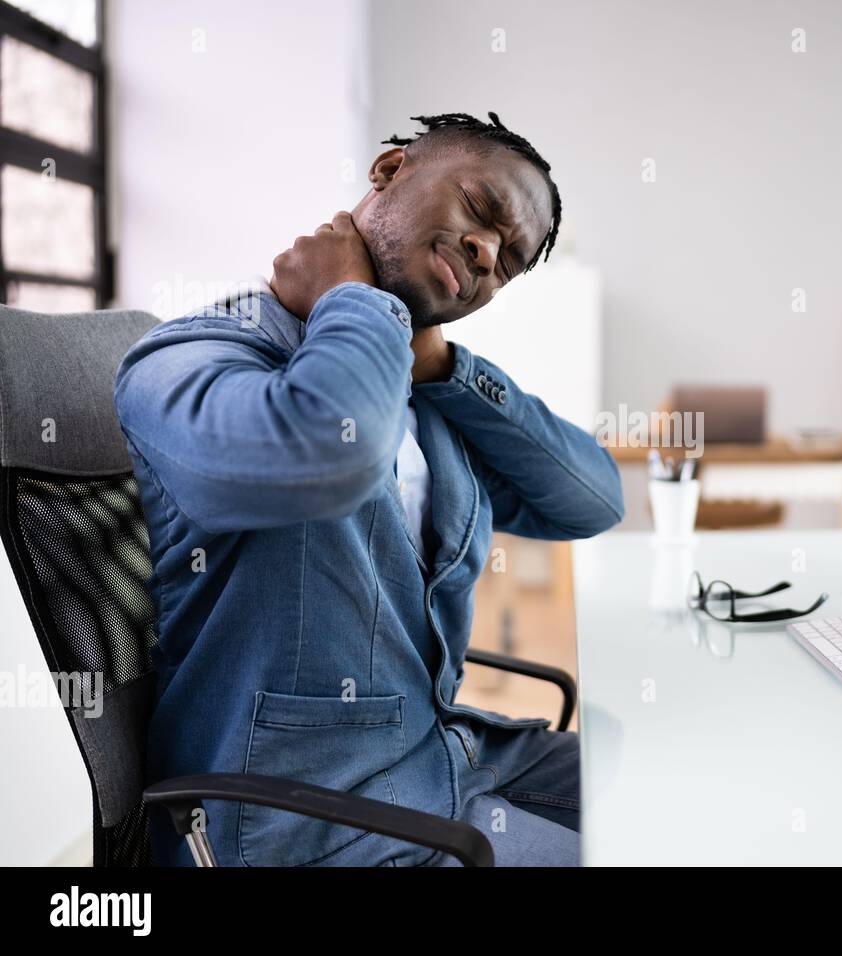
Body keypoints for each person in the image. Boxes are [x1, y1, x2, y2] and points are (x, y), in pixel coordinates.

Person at [114, 112, 623, 866]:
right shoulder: (199, 352)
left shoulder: (430, 402)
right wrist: (358, 302)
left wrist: (448, 370)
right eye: (480, 211)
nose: (486, 254)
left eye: (509, 261)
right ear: (389, 171)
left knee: (686, 792)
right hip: (303, 818)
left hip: (444, 757)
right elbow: (323, 456)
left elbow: (595, 498)